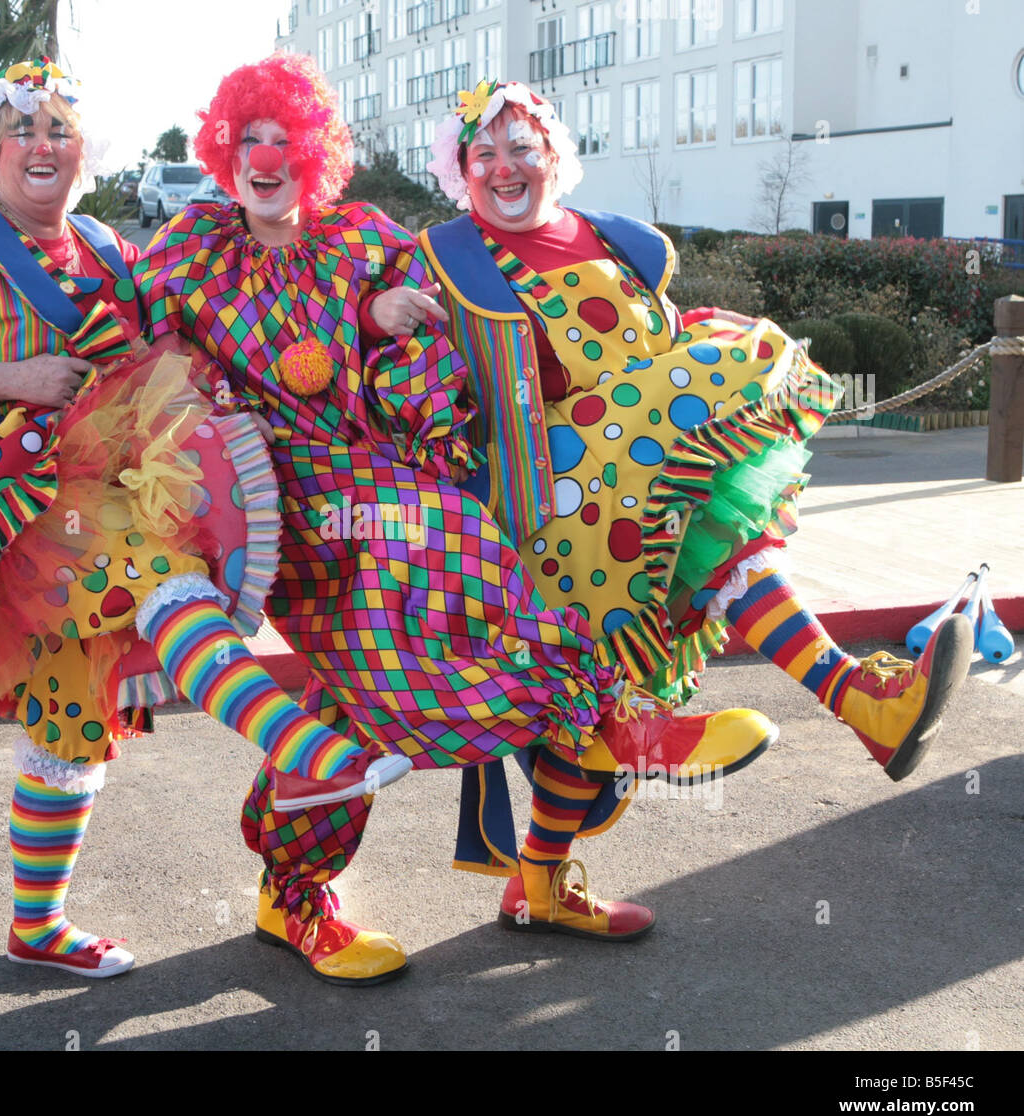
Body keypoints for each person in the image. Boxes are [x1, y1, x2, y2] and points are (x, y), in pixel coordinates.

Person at [133, 54, 775, 985]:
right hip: (281, 508)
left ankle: (597, 734)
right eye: (247, 141)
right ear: (223, 153)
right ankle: (312, 888)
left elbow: (428, 339)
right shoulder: (188, 253)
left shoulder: (362, 237)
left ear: (313, 156)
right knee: (372, 686)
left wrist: (379, 317)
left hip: (385, 478)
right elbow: (128, 356)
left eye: (283, 141)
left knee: (438, 594)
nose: (264, 159)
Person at [0, 58, 416, 981]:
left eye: (59, 130)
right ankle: (300, 751)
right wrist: (1, 380)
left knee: (69, 731)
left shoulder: (107, 248)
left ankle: (37, 928)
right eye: (21, 131)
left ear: (84, 154)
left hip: (96, 496)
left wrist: (352, 324)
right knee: (161, 575)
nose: (41, 145)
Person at [391, 80, 973, 931]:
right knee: (602, 678)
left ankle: (544, 885)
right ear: (460, 172)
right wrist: (389, 321)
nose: (505, 167)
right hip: (544, 502)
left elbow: (650, 338)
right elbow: (398, 373)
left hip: (646, 471)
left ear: (555, 156)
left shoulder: (617, 239)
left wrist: (690, 335)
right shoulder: (444, 258)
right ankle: (843, 704)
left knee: (710, 562)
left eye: (522, 148)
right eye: (484, 155)